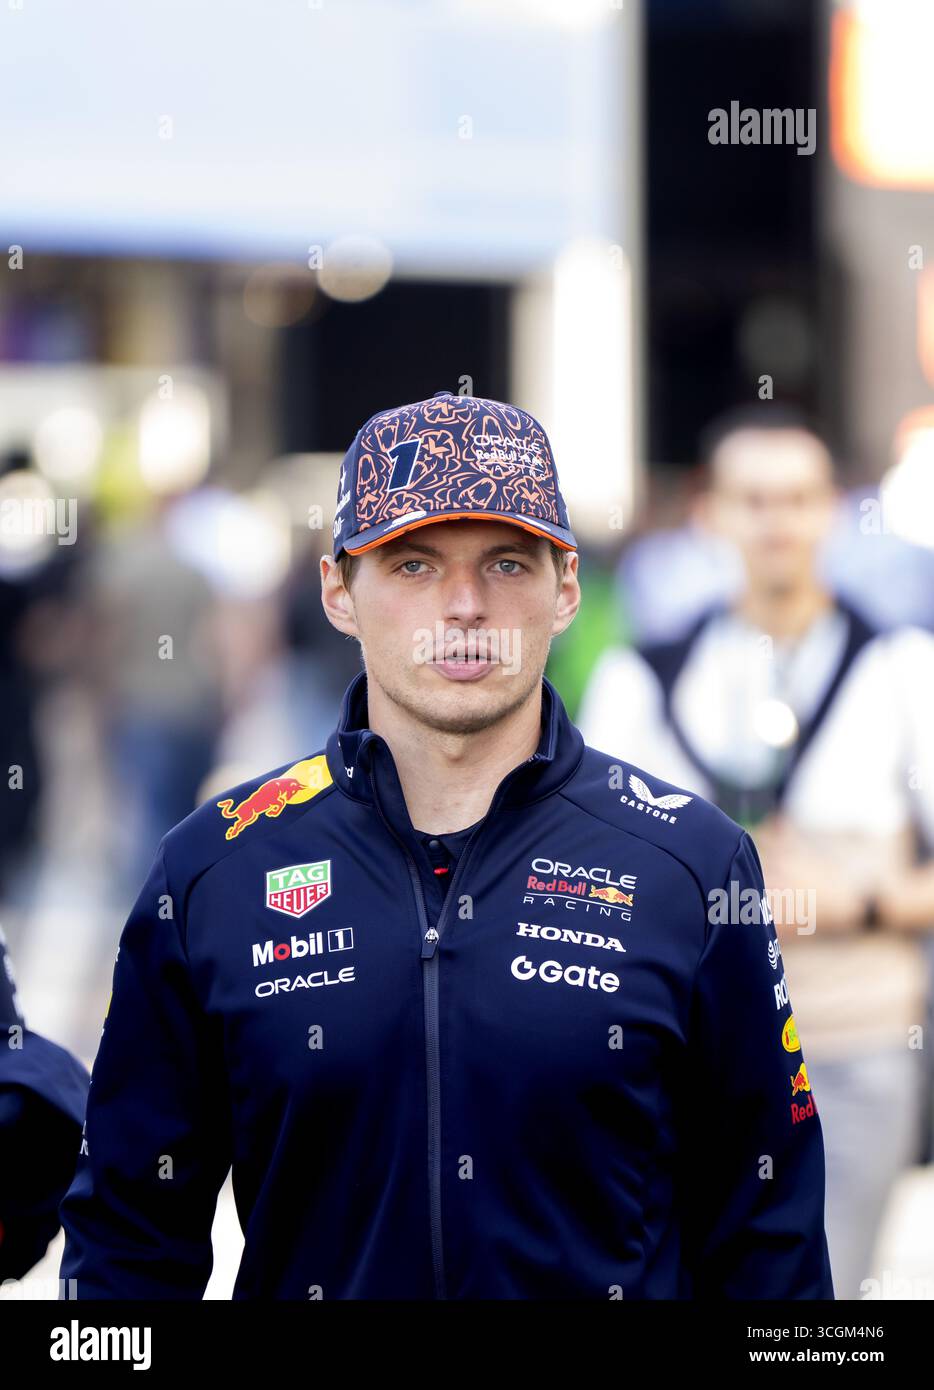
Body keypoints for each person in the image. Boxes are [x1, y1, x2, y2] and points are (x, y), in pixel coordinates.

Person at [57, 390, 833, 1299]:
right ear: (338, 590)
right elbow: (129, 1244)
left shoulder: (690, 863)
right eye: (415, 563)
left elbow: (768, 1244)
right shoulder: (214, 868)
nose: (464, 607)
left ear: (567, 588)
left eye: (506, 562)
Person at [577, 405, 934, 1300]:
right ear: (712, 512)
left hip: (853, 1045)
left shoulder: (904, 670)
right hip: (677, 1053)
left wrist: (854, 903)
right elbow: (587, 868)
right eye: (754, 499)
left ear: (834, 510)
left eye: (800, 498)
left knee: (816, 1307)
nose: (777, 523)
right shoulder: (643, 676)